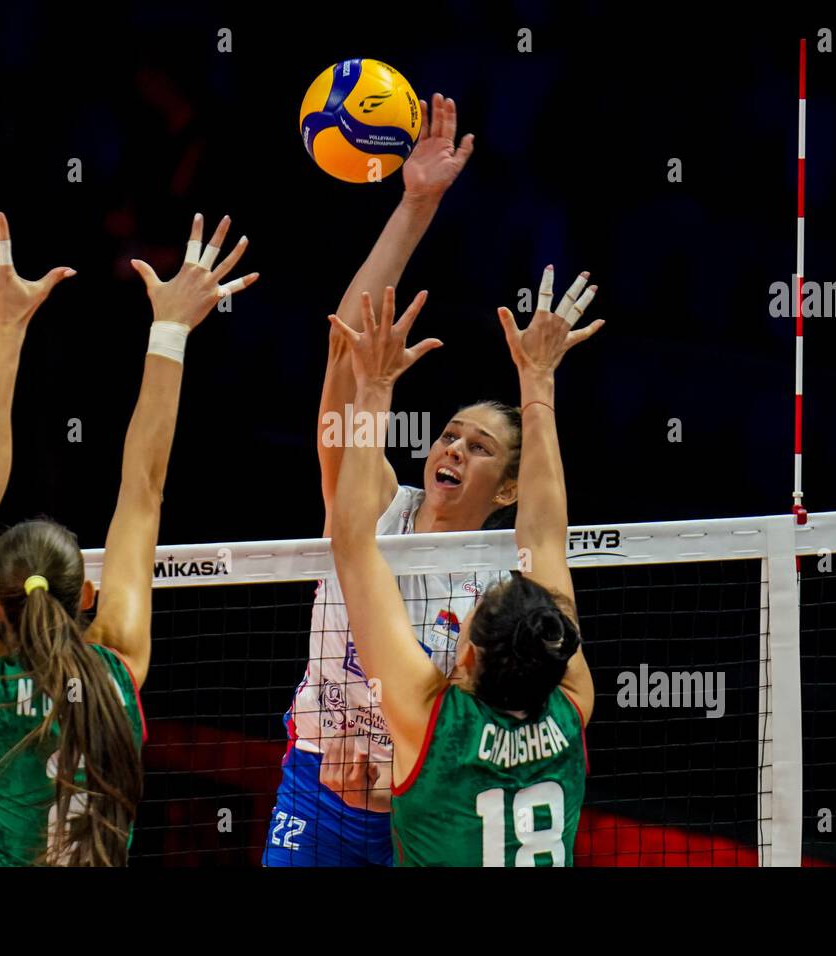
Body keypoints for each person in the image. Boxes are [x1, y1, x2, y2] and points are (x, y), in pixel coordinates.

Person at [265, 93, 596, 866]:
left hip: (432, 810)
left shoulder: (505, 588)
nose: (451, 449)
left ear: (508, 487)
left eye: (478, 447)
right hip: (319, 800)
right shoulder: (377, 504)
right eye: (448, 434)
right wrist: (415, 206)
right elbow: (344, 359)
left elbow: (546, 534)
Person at [0, 211, 256, 865]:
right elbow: (144, 493)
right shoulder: (118, 672)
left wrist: (3, 331)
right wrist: (169, 332)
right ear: (89, 597)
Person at [326, 267, 599, 866]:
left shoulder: (435, 726)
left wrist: (374, 389)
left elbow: (349, 541)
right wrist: (538, 381)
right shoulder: (570, 705)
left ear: (467, 655)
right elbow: (548, 538)